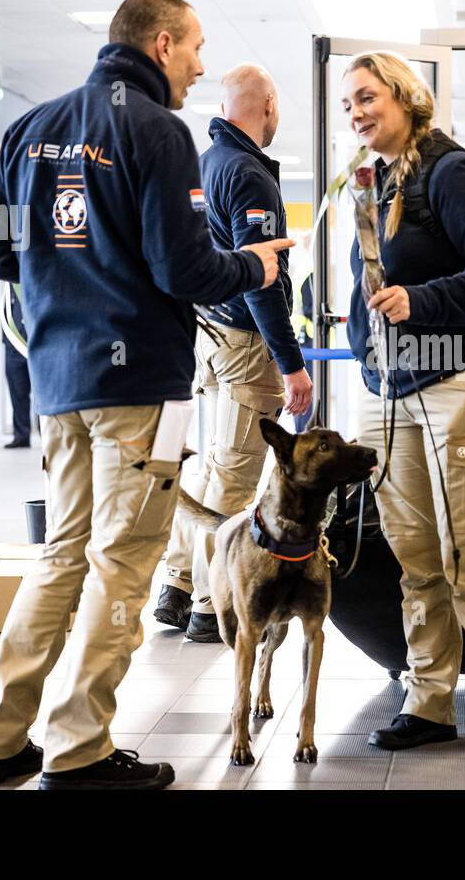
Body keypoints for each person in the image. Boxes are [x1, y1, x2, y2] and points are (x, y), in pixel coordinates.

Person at [0, 0, 292, 791]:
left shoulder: (28, 129)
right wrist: (256, 264)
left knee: (61, 555)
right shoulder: (156, 131)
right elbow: (183, 269)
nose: (200, 65)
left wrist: (67, 268)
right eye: (196, 48)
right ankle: (79, 750)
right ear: (162, 41)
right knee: (122, 563)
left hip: (56, 383)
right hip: (141, 385)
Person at [343, 51, 465, 762]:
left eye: (367, 97)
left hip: (460, 387)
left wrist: (421, 302)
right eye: (348, 106)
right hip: (391, 394)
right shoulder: (376, 182)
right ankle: (428, 699)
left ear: (404, 95)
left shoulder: (454, 172)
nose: (357, 113)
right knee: (415, 554)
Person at [152, 63, 312, 642]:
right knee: (235, 475)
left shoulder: (203, 165)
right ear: (267, 103)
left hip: (206, 333)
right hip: (244, 344)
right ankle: (203, 600)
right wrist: (291, 364)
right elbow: (261, 277)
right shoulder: (247, 173)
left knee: (213, 466)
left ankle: (173, 582)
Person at [2, 285, 31, 449]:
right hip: (14, 348)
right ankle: (21, 436)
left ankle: (46, 435)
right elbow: (5, 313)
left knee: (41, 395)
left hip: (36, 346)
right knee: (17, 394)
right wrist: (7, 343)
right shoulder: (10, 286)